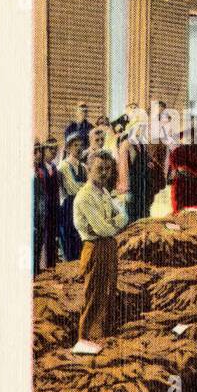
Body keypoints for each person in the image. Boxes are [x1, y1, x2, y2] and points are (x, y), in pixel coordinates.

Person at [73, 154, 130, 344]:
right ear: (88, 170)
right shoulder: (85, 197)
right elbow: (102, 229)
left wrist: (112, 223)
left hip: (108, 246)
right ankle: (87, 339)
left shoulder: (104, 192)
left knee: (108, 292)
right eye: (100, 169)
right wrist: (114, 223)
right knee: (94, 295)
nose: (105, 173)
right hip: (95, 248)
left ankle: (103, 335)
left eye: (108, 168)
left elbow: (124, 216)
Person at [57, 136, 88, 262]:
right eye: (75, 145)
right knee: (70, 242)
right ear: (68, 148)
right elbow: (72, 188)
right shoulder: (63, 166)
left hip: (81, 206)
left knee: (80, 240)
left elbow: (88, 187)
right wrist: (83, 187)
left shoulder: (83, 167)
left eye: (81, 145)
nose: (79, 148)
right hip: (68, 207)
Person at [32, 141, 61, 274]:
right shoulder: (39, 169)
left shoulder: (54, 168)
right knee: (41, 238)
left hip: (53, 208)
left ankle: (50, 265)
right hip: (42, 208)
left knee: (52, 237)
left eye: (55, 150)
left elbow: (56, 190)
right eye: (50, 150)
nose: (53, 152)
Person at [165, 136, 197, 212]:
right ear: (180, 139)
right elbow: (180, 168)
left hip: (195, 186)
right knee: (179, 210)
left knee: (195, 209)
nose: (190, 138)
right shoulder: (177, 151)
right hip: (181, 184)